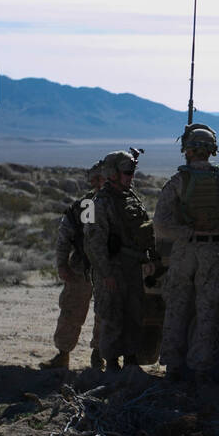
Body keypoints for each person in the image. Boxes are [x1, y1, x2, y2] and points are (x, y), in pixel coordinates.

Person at [154, 123, 219, 385]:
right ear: (211, 151)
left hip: (184, 251)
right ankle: (200, 370)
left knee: (176, 307)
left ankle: (173, 368)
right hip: (211, 249)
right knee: (207, 310)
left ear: (188, 151)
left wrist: (182, 233)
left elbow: (160, 224)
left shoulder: (178, 181)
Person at [84, 149, 155, 372]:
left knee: (134, 314)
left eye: (132, 172)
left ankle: (131, 362)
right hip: (112, 268)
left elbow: (142, 230)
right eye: (126, 172)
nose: (130, 176)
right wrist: (106, 274)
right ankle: (112, 365)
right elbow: (94, 244)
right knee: (112, 317)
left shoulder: (130, 197)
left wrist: (148, 258)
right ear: (113, 173)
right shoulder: (99, 203)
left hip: (132, 266)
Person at [43, 161, 103, 370]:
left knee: (105, 314)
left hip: (108, 269)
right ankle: (63, 354)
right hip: (82, 267)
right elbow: (66, 237)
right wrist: (62, 264)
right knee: (72, 310)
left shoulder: (121, 204)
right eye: (97, 179)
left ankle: (99, 355)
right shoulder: (86, 206)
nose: (99, 183)